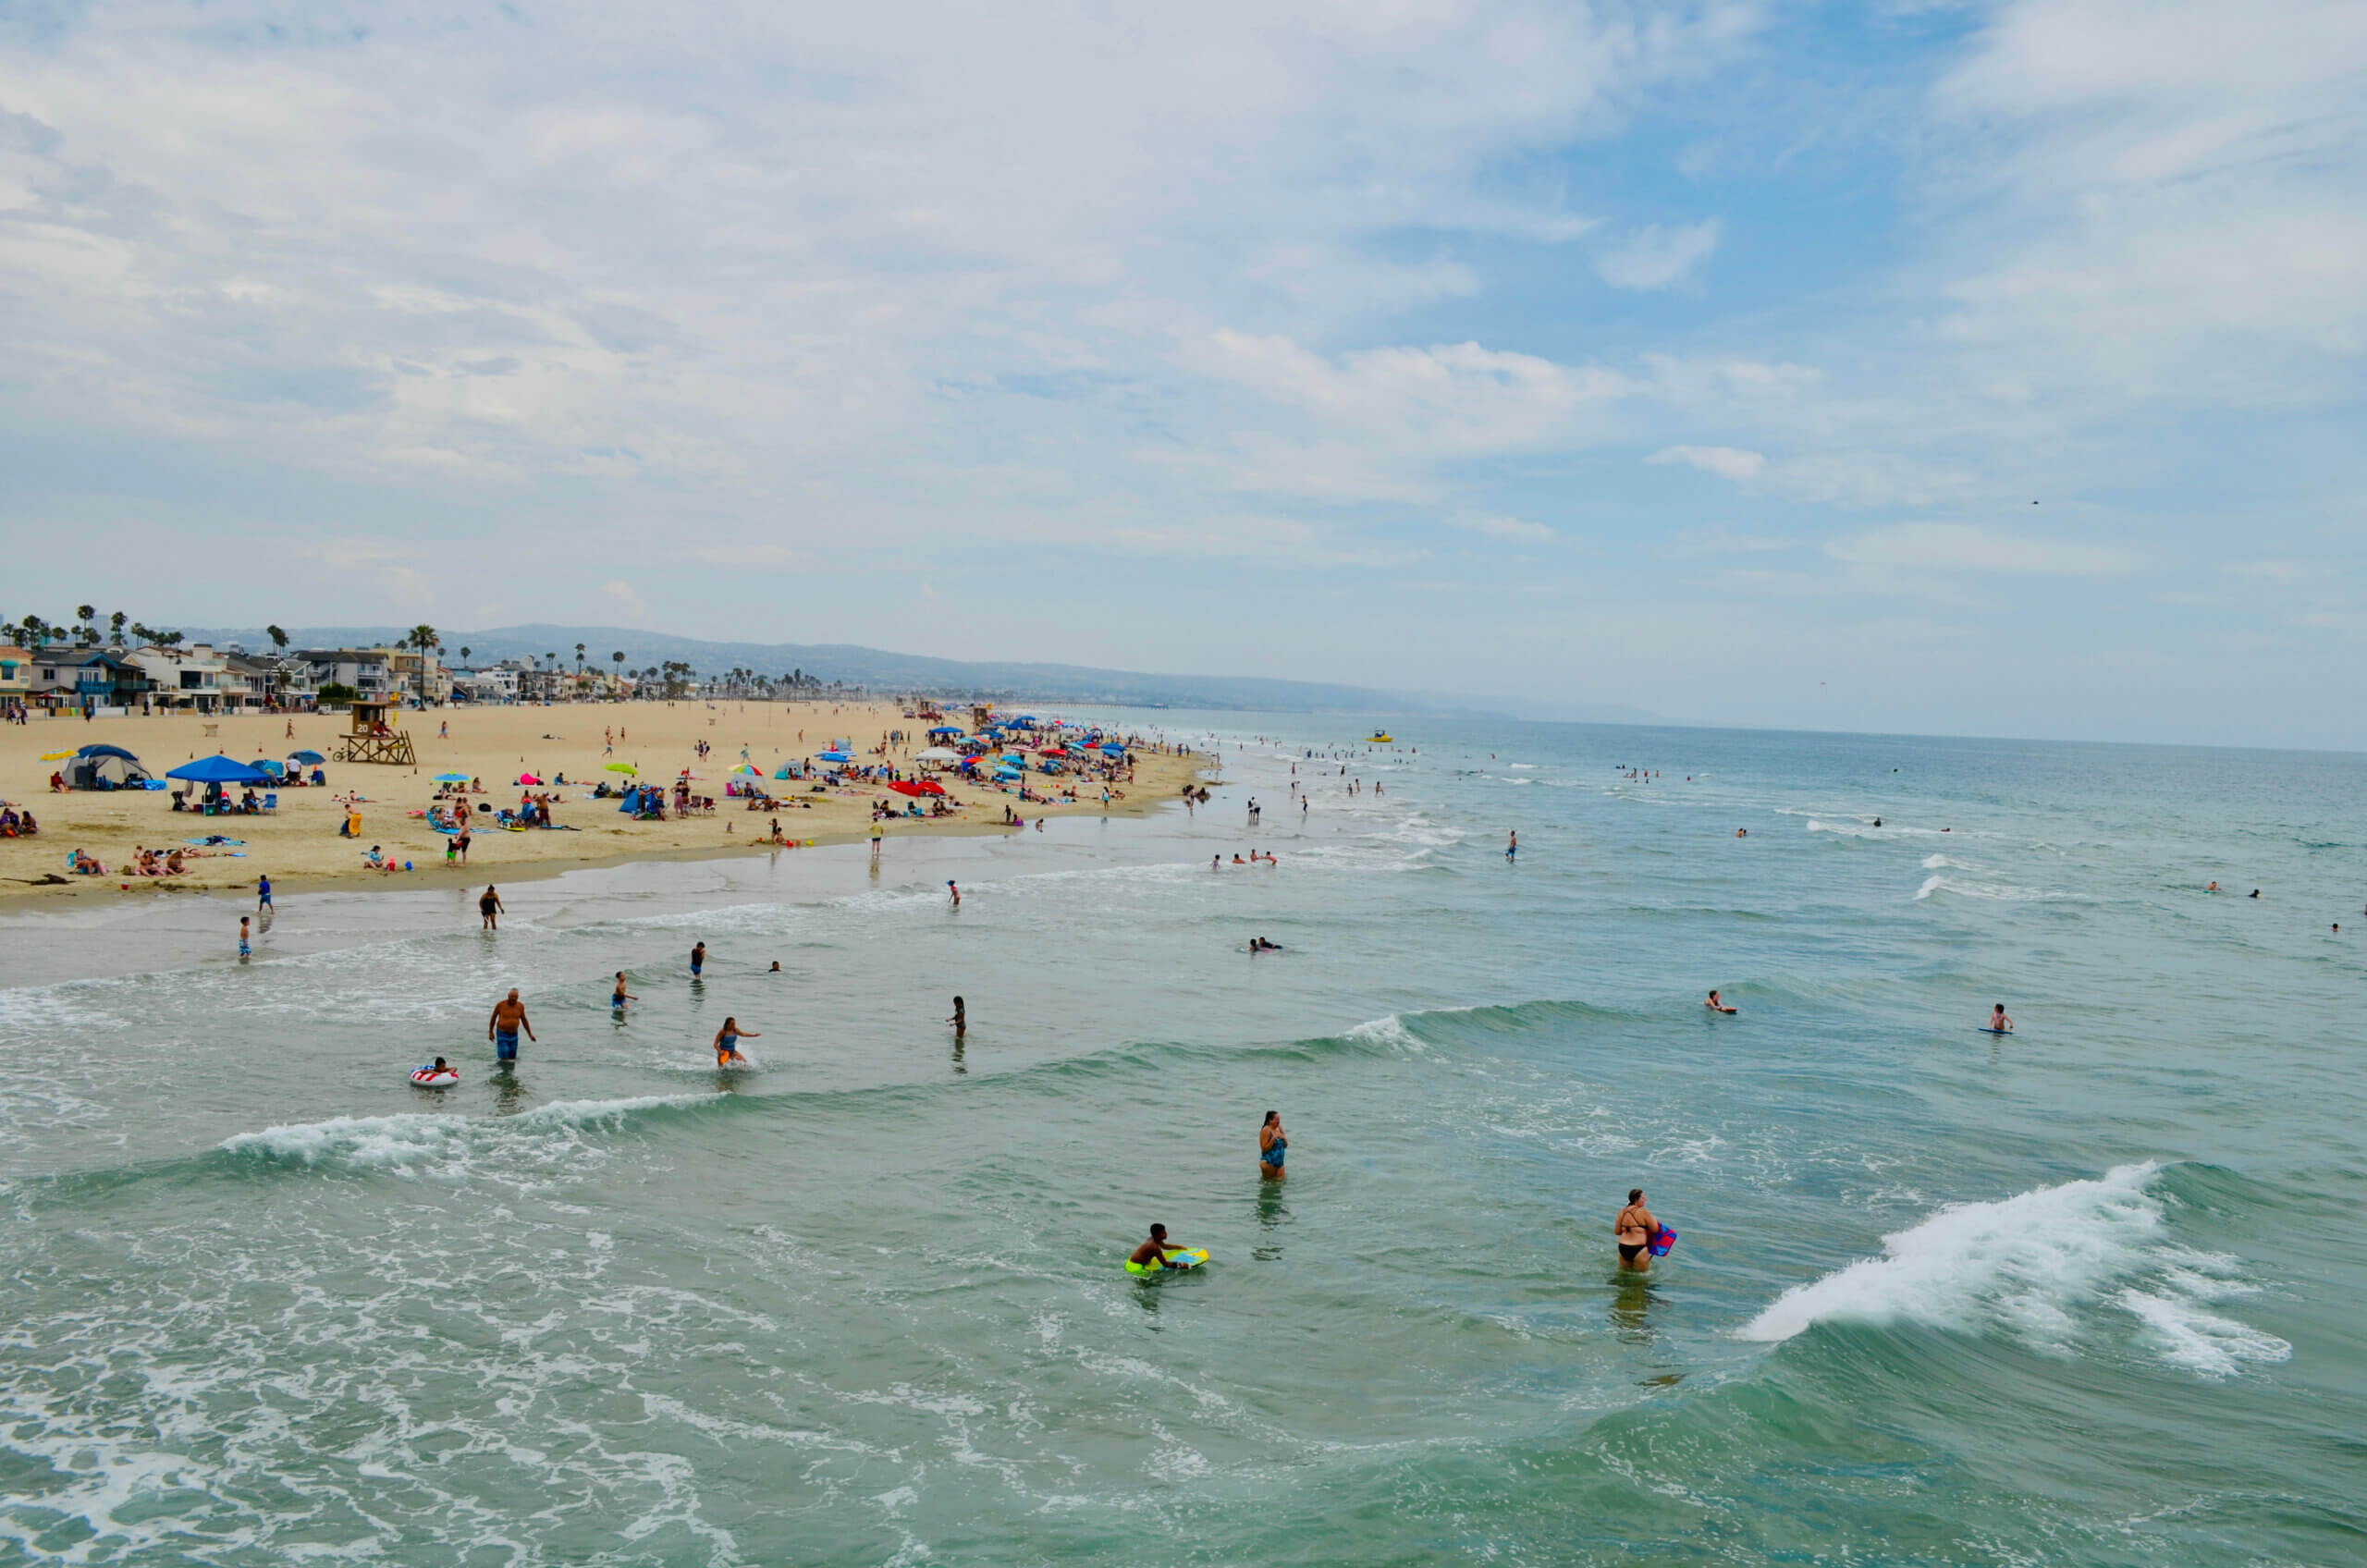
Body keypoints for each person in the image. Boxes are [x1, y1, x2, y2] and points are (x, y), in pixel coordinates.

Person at [1615, 1188, 1659, 1271]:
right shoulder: (1643, 1212)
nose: (1645, 1200)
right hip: (1638, 1249)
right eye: (1643, 1198)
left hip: (1623, 1248)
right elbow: (1655, 1230)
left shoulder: (1622, 1211)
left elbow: (1617, 1232)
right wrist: (1654, 1219)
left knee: (1624, 1274)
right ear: (1636, 1199)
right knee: (1642, 1278)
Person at [488, 988, 533, 1064]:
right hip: (502, 1034)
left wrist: (530, 1034)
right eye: (511, 996)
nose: (513, 998)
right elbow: (493, 1017)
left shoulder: (520, 1006)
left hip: (514, 1035)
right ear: (508, 996)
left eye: (515, 997)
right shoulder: (500, 1005)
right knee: (504, 1056)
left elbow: (524, 1020)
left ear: (518, 997)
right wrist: (490, 1032)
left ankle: (511, 1075)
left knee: (512, 1058)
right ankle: (502, 1074)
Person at [1259, 1110, 1286, 1180]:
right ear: (1270, 1120)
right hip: (1269, 1162)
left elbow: (1285, 1146)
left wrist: (1284, 1138)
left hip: (1280, 1162)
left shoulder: (1279, 1128)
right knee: (1268, 1185)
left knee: (1279, 1187)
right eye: (1277, 1119)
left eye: (1279, 1119)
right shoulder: (1266, 1130)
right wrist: (1273, 1139)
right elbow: (1264, 1149)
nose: (1279, 1121)